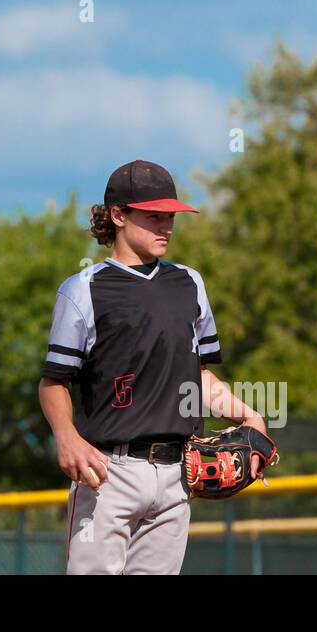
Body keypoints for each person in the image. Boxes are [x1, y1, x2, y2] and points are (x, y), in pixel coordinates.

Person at [38, 159, 271, 574]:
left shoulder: (189, 283)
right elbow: (54, 381)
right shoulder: (84, 289)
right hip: (108, 472)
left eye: (171, 217)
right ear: (118, 215)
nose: (166, 226)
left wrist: (251, 416)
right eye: (154, 216)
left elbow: (198, 377)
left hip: (177, 474)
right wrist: (66, 438)